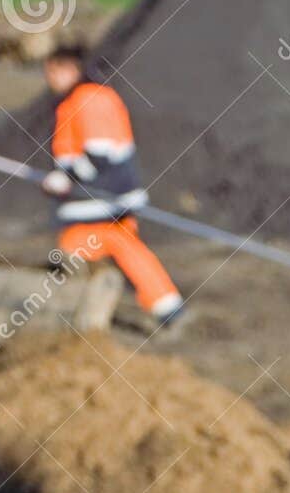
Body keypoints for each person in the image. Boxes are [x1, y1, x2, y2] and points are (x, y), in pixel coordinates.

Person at [41, 44, 184, 326]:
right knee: (90, 250)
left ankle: (165, 309)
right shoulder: (77, 100)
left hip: (107, 198)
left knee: (99, 249)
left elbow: (100, 156)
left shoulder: (90, 100)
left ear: (69, 69)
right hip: (94, 199)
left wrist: (67, 177)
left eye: (52, 72)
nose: (49, 79)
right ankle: (160, 307)